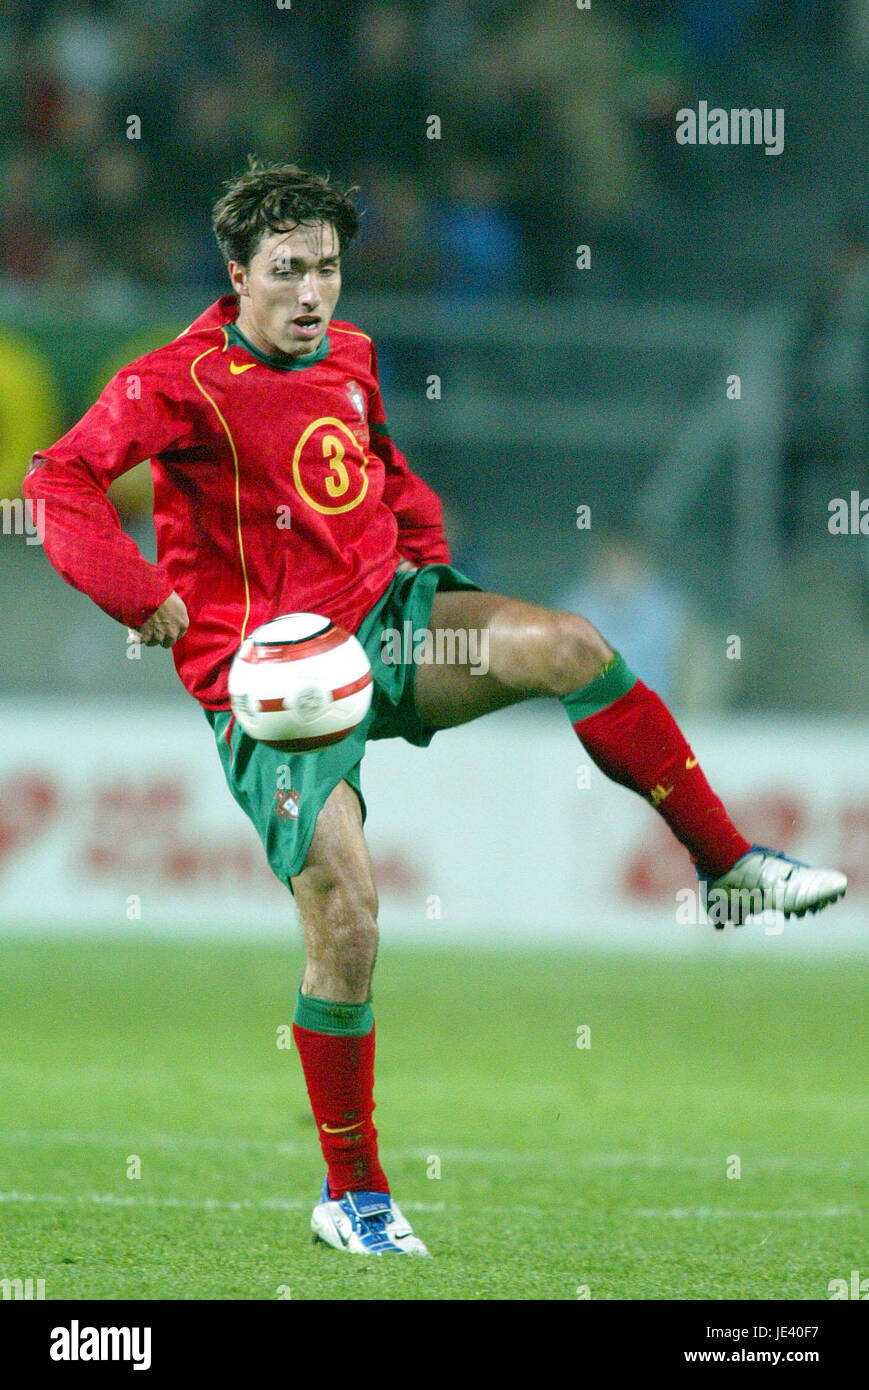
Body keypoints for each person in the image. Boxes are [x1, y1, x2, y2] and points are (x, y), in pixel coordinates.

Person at [22, 158, 847, 1258]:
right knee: (348, 924)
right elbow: (58, 482)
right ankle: (353, 1195)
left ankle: (726, 864)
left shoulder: (351, 355)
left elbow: (379, 469)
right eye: (288, 270)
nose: (312, 292)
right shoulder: (177, 381)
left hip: (386, 626)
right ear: (237, 273)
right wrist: (138, 593)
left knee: (570, 645)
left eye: (327, 268)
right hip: (275, 684)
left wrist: (423, 553)